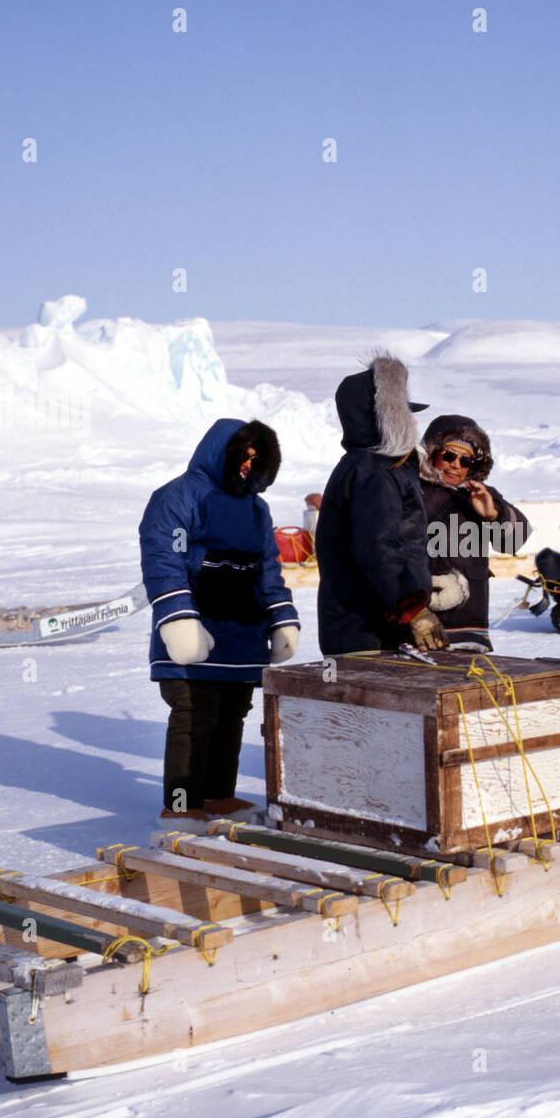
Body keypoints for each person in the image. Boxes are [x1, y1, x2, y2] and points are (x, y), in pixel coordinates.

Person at [139, 418, 300, 820]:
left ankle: (217, 797)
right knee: (194, 714)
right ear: (221, 452)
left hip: (242, 632)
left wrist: (281, 618)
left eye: (256, 459)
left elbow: (269, 569)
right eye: (242, 457)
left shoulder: (257, 509)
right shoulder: (177, 496)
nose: (248, 466)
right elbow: (163, 560)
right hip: (197, 626)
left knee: (233, 713)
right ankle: (180, 804)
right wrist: (178, 619)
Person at [315, 351, 449, 656]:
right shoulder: (373, 471)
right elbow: (379, 547)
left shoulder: (377, 468)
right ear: (386, 418)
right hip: (365, 633)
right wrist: (412, 610)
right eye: (406, 413)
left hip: (373, 630)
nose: (414, 421)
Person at [419, 414, 531, 651]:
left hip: (471, 627)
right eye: (449, 455)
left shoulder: (482, 494)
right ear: (432, 453)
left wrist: (493, 514)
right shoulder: (410, 492)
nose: (456, 464)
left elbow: (514, 542)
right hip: (423, 628)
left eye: (466, 460)